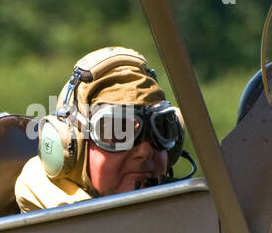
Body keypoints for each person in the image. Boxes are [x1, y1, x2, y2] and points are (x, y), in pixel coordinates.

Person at [15, 46, 185, 212]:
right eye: (119, 131)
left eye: (161, 128)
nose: (145, 151)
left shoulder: (195, 211)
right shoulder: (41, 225)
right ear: (71, 146)